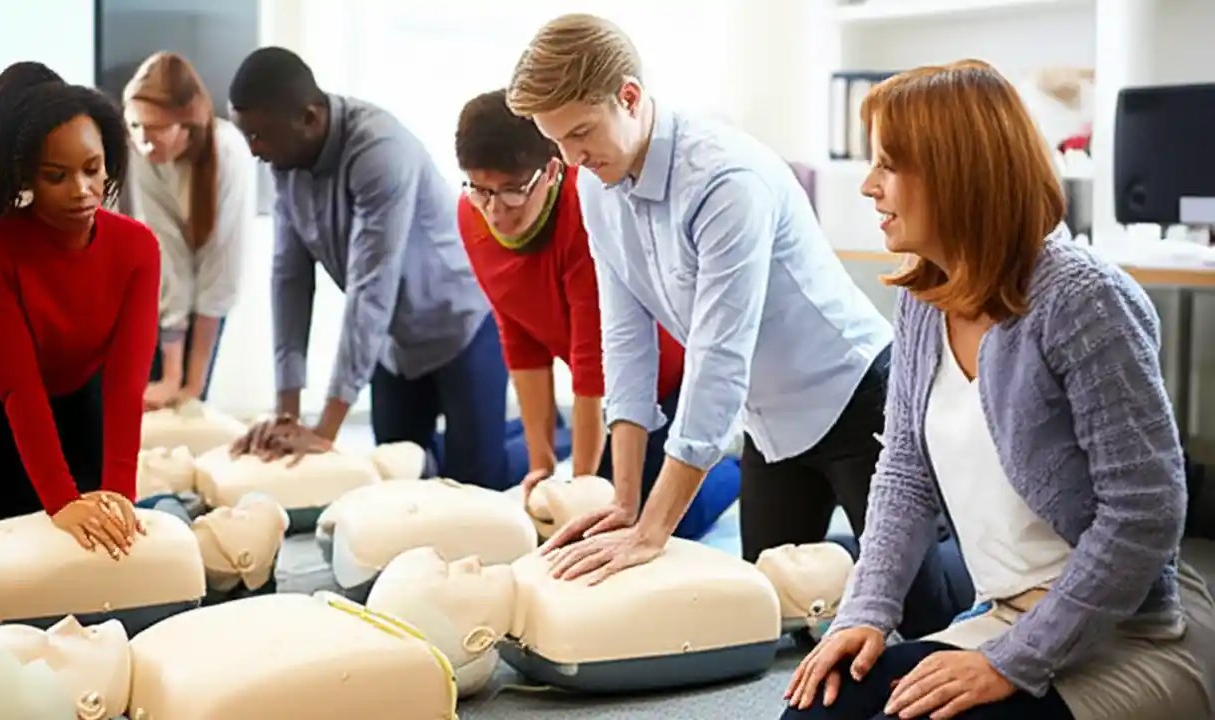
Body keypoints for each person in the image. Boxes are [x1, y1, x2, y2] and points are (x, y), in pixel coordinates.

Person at [505, 12, 967, 638]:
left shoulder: (724, 178)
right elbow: (626, 338)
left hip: (858, 395)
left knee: (923, 614)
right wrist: (624, 500)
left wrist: (653, 530)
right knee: (767, 609)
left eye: (581, 133)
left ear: (630, 98)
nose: (572, 157)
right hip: (770, 421)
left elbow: (718, 358)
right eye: (557, 141)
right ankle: (860, 560)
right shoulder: (596, 183)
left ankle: (987, 566)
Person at [784, 60, 1215, 720]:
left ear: (956, 172)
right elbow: (904, 474)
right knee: (814, 709)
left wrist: (1012, 660)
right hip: (1002, 618)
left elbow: (1146, 512)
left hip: (1124, 636)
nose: (869, 186)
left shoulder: (1083, 300)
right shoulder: (924, 299)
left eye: (888, 166)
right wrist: (864, 611)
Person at [225, 47, 528, 491]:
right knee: (397, 480)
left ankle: (557, 435)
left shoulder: (380, 149)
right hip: (394, 344)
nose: (254, 151)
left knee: (477, 482)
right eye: (247, 136)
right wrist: (286, 414)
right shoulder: (284, 160)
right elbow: (289, 280)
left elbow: (371, 287)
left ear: (308, 118)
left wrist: (325, 432)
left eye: (259, 137)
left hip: (460, 325)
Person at [454, 88, 739, 540]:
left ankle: (735, 464)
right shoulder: (472, 215)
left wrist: (579, 490)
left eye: (512, 191)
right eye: (481, 190)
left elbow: (595, 362)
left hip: (662, 375)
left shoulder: (583, 207)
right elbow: (518, 336)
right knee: (605, 511)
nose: (495, 210)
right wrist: (542, 463)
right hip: (607, 384)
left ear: (551, 171)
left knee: (661, 520)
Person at [0, 69, 158, 560]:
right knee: (7, 534)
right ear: (26, 177)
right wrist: (59, 501)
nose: (81, 190)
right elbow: (20, 387)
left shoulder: (137, 247)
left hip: (76, 391)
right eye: (56, 176)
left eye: (92, 169)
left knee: (97, 530)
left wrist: (119, 492)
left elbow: (125, 384)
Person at [122, 51, 253, 408]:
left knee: (189, 401)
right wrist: (170, 378)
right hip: (163, 299)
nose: (144, 140)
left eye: (157, 128)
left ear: (188, 123)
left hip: (210, 297)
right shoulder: (143, 153)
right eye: (135, 126)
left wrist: (191, 385)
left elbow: (219, 273)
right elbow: (166, 255)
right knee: (153, 396)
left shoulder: (228, 153)